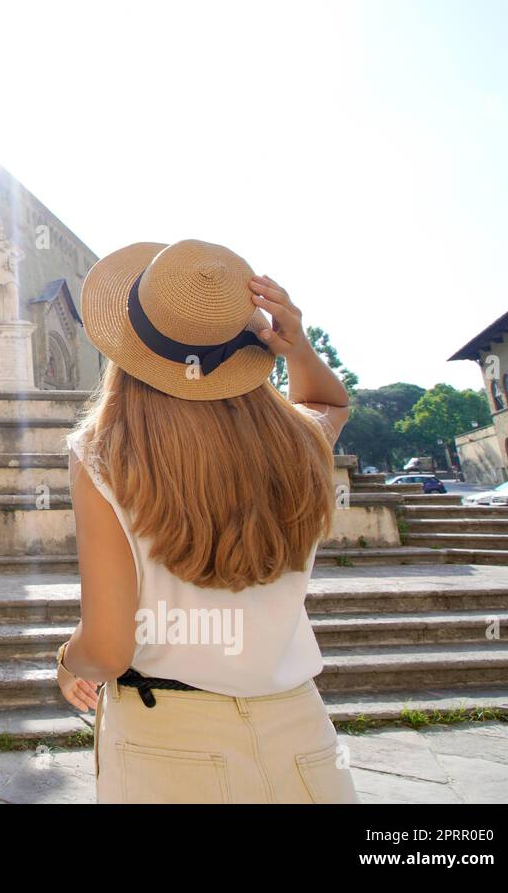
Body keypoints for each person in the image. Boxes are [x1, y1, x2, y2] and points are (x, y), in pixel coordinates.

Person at [57, 239, 358, 804]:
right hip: (303, 734)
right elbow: (330, 405)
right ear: (250, 342)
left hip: (167, 743)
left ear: (128, 343)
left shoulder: (100, 456)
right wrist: (300, 350)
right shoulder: (301, 440)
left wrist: (65, 660)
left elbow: (107, 649)